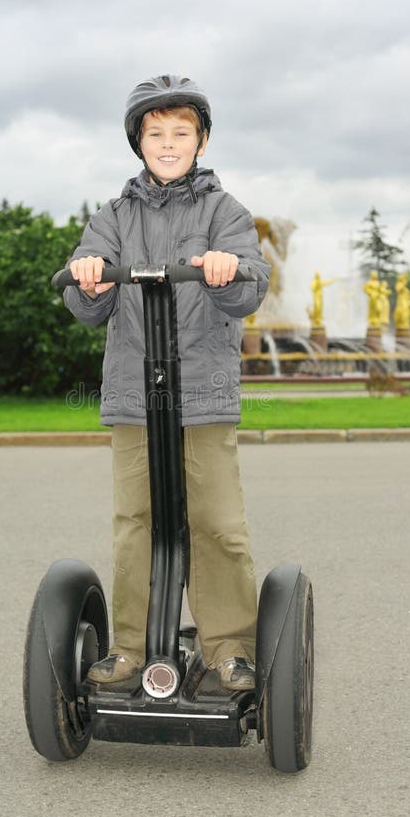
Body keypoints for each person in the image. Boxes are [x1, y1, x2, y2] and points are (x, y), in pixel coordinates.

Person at [63, 75, 270, 691]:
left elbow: (250, 287)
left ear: (202, 140)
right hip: (135, 396)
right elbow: (84, 298)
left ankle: (229, 647)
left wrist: (227, 271)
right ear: (138, 143)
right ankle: (129, 647)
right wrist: (88, 280)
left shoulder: (224, 212)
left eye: (182, 132)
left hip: (203, 397)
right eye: (156, 133)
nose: (169, 142)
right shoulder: (113, 216)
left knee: (216, 522)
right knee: (137, 520)